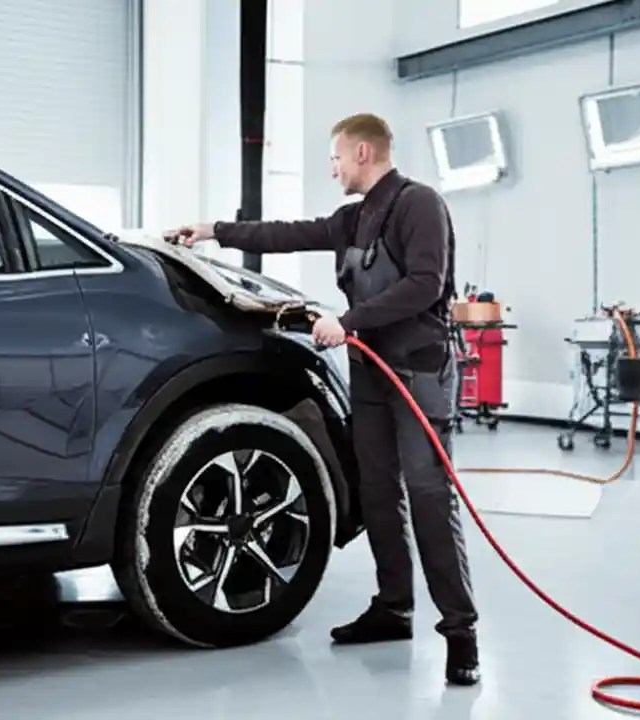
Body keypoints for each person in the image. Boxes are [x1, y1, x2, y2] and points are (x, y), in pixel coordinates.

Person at [167, 112, 480, 687]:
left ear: (363, 152)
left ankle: (461, 633)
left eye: (336, 157)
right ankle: (394, 608)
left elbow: (425, 284)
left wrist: (348, 321)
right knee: (377, 492)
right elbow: (286, 234)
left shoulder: (420, 204)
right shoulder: (352, 218)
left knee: (429, 496)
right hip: (371, 373)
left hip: (419, 372)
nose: (332, 168)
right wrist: (212, 230)